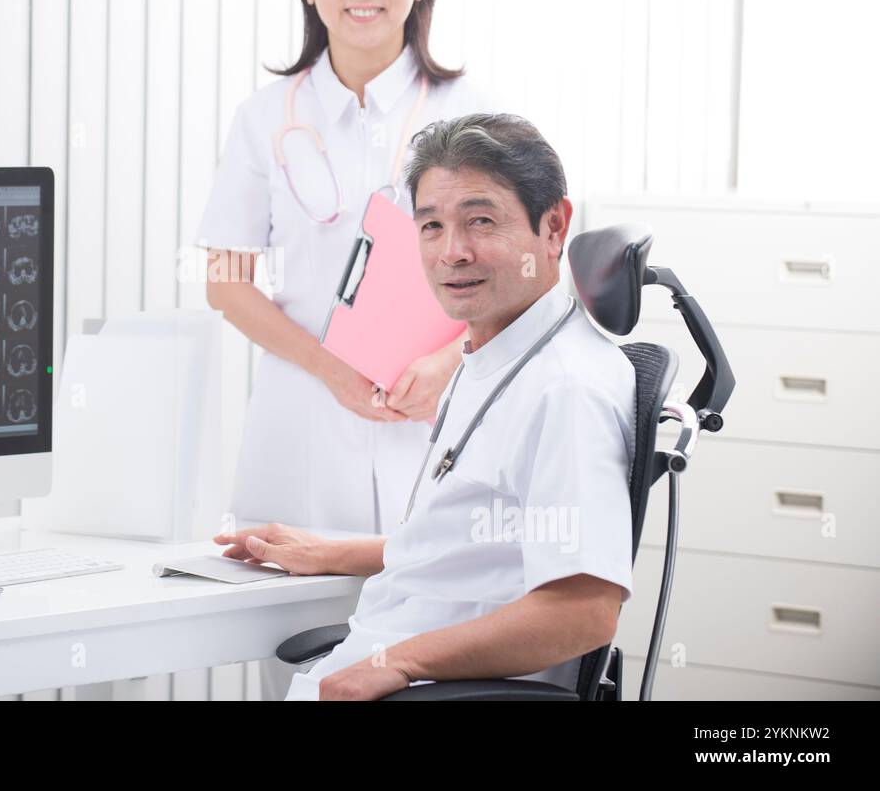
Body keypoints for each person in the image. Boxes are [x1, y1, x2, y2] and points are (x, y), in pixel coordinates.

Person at [214, 113, 636, 701]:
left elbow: (583, 610)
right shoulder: (492, 353)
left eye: (481, 221)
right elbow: (478, 544)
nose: (451, 252)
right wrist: (332, 553)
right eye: (431, 226)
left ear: (554, 226)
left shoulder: (564, 391)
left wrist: (398, 662)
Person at [198, 0, 495, 543]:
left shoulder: (475, 117)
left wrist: (448, 363)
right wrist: (331, 369)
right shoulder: (264, 118)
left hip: (435, 419)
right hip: (302, 426)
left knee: (430, 630)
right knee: (293, 636)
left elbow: (524, 282)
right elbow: (226, 281)